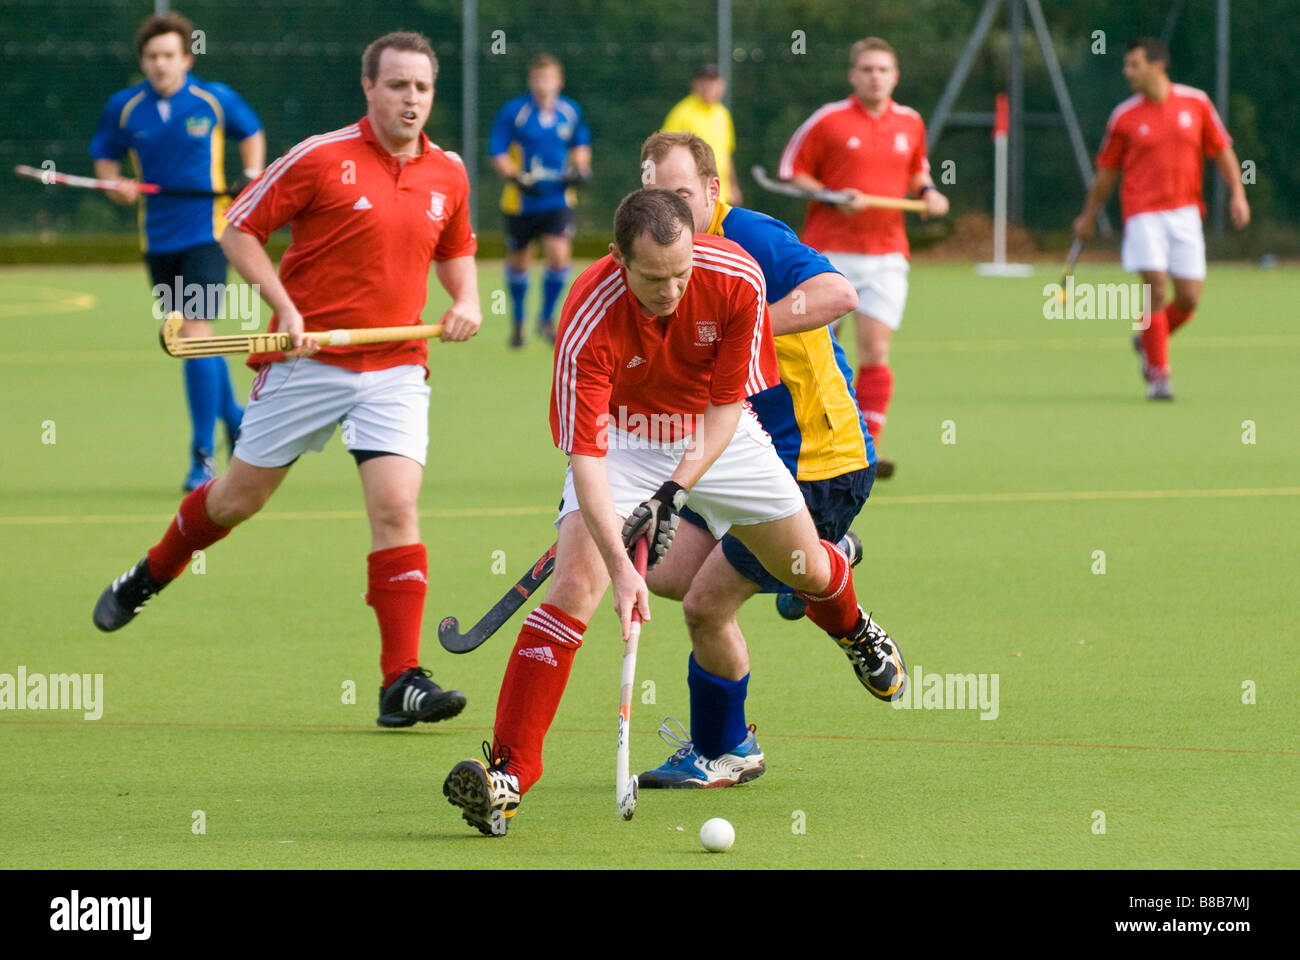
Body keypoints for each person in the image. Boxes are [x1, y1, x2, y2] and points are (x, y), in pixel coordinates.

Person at [442, 189, 903, 837]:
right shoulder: (587, 315)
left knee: (803, 565)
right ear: (617, 259)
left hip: (716, 431)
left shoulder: (736, 276)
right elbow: (586, 457)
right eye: (653, 279)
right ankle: (509, 776)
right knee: (573, 584)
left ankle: (854, 627)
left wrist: (671, 493)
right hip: (622, 440)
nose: (671, 292)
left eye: (681, 274)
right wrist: (619, 568)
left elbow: (725, 407)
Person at [91, 31, 481, 730]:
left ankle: (401, 680)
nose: (411, 99)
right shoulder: (320, 157)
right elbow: (239, 229)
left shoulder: (448, 173)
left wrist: (467, 300)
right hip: (306, 362)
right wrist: (287, 308)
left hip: (394, 364)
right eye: (398, 85)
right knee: (236, 500)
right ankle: (152, 571)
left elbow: (455, 248)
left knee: (396, 508)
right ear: (369, 87)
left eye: (422, 87)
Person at [636, 132, 889, 789]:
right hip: (736, 460)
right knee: (663, 568)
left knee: (705, 605)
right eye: (657, 195)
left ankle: (726, 750)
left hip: (817, 460)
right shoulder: (660, 261)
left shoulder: (749, 235)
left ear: (713, 191)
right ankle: (822, 562)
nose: (670, 211)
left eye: (683, 195)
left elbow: (838, 294)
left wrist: (745, 325)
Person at [91, 11, 266, 492]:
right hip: (157, 239)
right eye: (152, 56)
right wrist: (115, 186)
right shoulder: (125, 108)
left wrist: (251, 176)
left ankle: (202, 457)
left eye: (169, 55)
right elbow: (104, 156)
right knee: (196, 337)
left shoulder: (213, 100)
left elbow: (252, 131)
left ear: (187, 58)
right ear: (142, 61)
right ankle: (237, 419)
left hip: (208, 234)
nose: (160, 64)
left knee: (192, 334)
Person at [779, 37, 948, 479]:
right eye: (868, 69)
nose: (876, 77)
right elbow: (791, 172)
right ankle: (804, 443)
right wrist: (833, 196)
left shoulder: (910, 121)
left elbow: (917, 170)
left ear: (895, 76)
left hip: (887, 254)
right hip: (829, 255)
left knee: (876, 349)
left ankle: (866, 450)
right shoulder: (828, 119)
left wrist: (929, 193)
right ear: (853, 75)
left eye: (883, 70)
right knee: (813, 350)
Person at [1072, 37, 1249, 401]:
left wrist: (1238, 193)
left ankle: (1149, 338)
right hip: (1143, 214)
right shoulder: (1124, 116)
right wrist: (1088, 215)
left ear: (1158, 65)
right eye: (1126, 65)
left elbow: (1222, 151)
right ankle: (1159, 376)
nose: (1127, 72)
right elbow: (1106, 173)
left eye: (1134, 65)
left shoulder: (1196, 102)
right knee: (1154, 284)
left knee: (1188, 298)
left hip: (1186, 213)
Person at [488, 54, 592, 347]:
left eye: (549, 78)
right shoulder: (515, 112)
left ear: (559, 81)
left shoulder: (570, 112)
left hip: (558, 200)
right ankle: (518, 320)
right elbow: (497, 150)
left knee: (558, 254)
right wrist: (515, 176)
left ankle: (546, 318)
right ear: (530, 81)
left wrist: (581, 169)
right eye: (538, 78)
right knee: (520, 261)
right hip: (521, 202)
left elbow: (581, 145)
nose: (543, 84)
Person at [662, 64, 742, 205]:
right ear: (695, 84)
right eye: (704, 82)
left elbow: (726, 154)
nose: (709, 87)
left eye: (713, 82)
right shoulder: (681, 113)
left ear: (721, 86)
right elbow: (665, 153)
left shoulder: (722, 114)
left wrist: (733, 186)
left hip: (720, 194)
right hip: (691, 194)